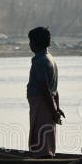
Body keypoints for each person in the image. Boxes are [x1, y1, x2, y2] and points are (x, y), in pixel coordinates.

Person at [26, 27, 65, 157]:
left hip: (42, 103)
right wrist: (56, 108)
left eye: (31, 41)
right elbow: (54, 89)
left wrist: (54, 111)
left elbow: (45, 88)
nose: (30, 44)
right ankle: (46, 156)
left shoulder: (41, 61)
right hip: (48, 103)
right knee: (46, 134)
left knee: (40, 135)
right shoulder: (49, 59)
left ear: (35, 43)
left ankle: (42, 159)